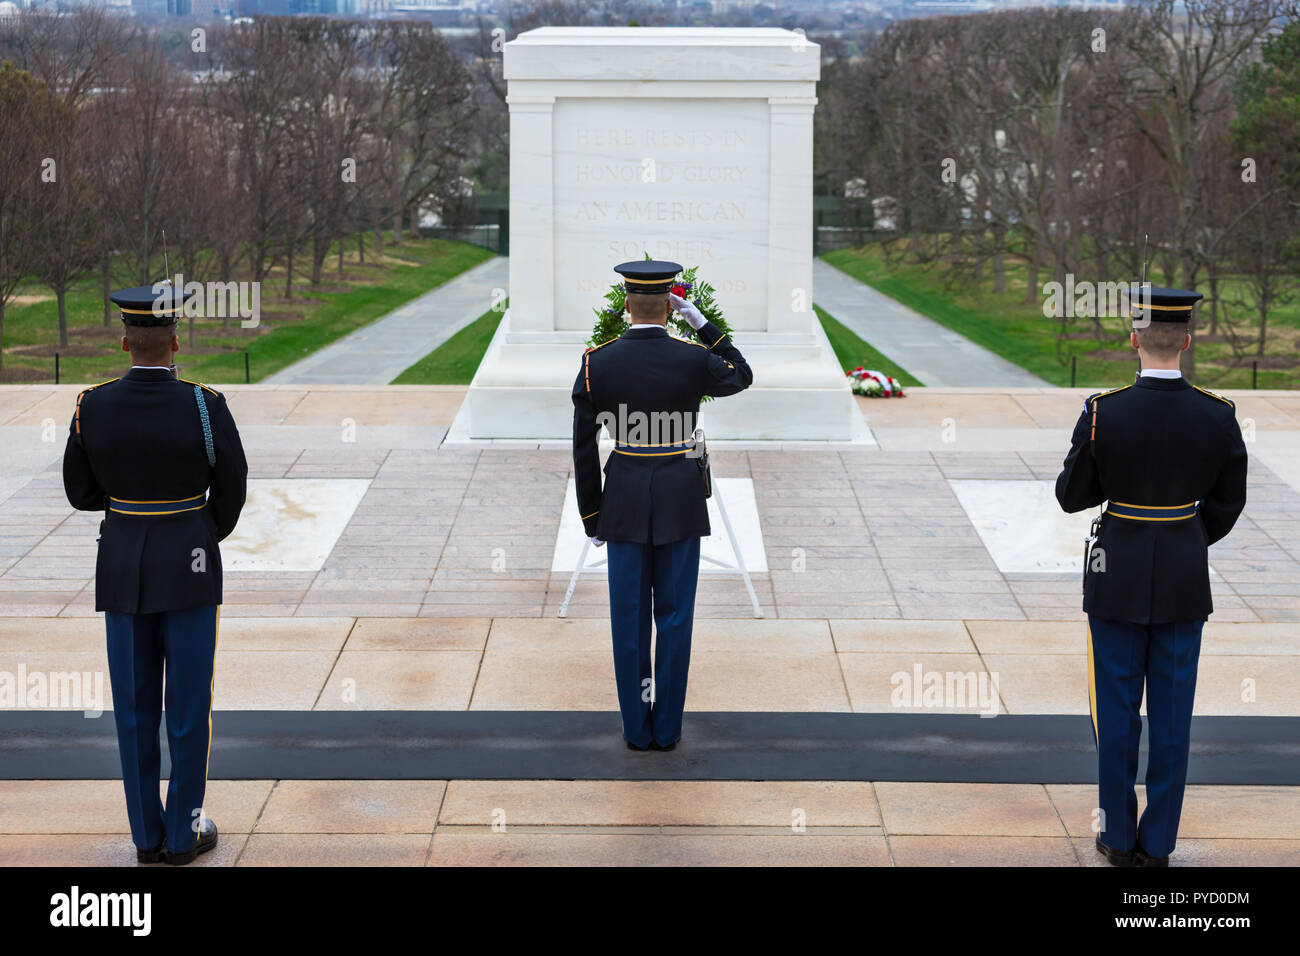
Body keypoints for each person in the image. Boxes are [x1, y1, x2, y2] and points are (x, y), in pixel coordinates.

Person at [1055, 285, 1247, 867]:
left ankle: (1116, 837)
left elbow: (1071, 497)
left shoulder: (1102, 411)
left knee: (1115, 716)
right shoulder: (1217, 414)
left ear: (1134, 340)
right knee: (1171, 717)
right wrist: (1184, 539)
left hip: (1114, 577)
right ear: (1187, 341)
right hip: (1185, 580)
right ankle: (1158, 843)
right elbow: (1227, 503)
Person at [62, 284, 248, 865]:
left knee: (135, 708)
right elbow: (233, 489)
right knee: (189, 709)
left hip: (122, 564)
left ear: (124, 341)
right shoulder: (204, 404)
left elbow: (80, 492)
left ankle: (146, 836)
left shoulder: (92, 404)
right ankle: (184, 833)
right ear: (174, 342)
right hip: (189, 566)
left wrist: (130, 512)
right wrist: (196, 532)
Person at [572, 259, 752, 751]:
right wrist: (702, 324)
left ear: (626, 304)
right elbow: (742, 375)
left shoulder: (597, 362)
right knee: (674, 617)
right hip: (679, 497)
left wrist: (592, 514)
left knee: (628, 617)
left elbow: (584, 448)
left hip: (624, 500)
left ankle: (636, 728)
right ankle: (667, 729)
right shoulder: (693, 358)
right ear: (671, 309)